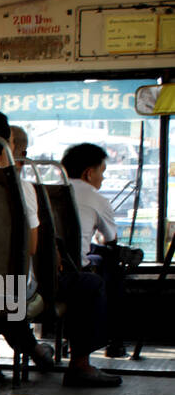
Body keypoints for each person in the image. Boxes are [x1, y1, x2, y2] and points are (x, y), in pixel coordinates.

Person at [0, 112, 119, 388]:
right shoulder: (20, 187)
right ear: (4, 147)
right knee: (90, 284)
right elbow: (29, 247)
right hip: (8, 285)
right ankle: (80, 365)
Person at [63, 143, 127, 357]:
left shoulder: (46, 190)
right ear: (89, 173)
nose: (103, 178)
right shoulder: (96, 198)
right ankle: (109, 344)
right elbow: (111, 240)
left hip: (37, 272)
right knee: (110, 263)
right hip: (70, 275)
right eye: (102, 172)